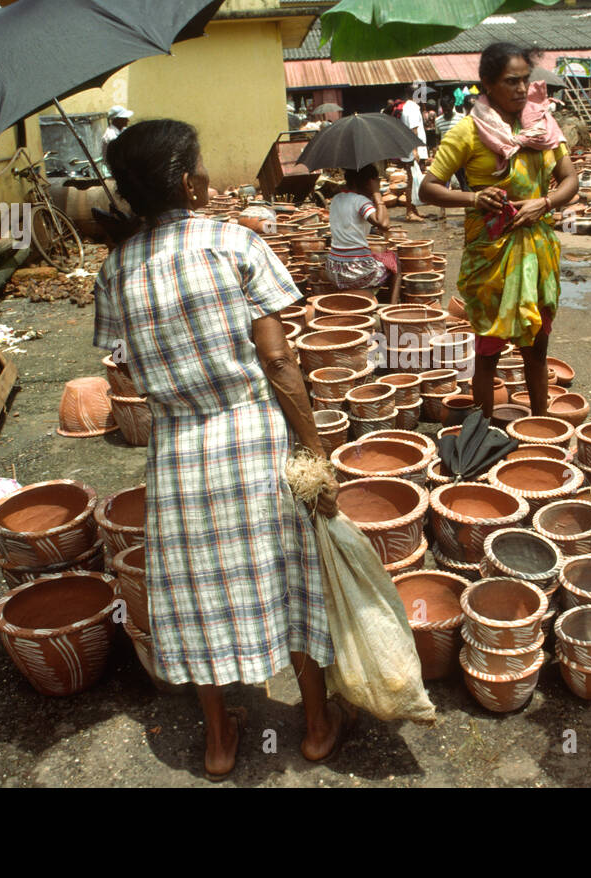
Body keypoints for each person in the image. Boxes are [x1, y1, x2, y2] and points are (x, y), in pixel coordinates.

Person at [96, 119, 351, 780]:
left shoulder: (116, 268)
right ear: (187, 182)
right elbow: (279, 361)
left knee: (196, 591)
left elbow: (119, 370)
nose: (207, 176)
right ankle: (317, 726)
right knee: (293, 577)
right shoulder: (235, 244)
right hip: (252, 437)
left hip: (178, 451)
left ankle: (217, 741)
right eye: (201, 166)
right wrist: (315, 454)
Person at [419, 42, 580, 417]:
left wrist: (546, 202)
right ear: (488, 84)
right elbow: (428, 188)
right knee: (488, 353)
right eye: (511, 81)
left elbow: (570, 179)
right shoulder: (468, 133)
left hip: (537, 250)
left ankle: (542, 430)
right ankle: (483, 433)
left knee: (537, 348)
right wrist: (473, 199)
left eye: (526, 80)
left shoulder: (543, 126)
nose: (522, 89)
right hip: (490, 257)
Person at [327, 164, 401, 303]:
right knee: (394, 260)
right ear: (369, 182)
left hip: (334, 269)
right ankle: (393, 309)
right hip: (355, 271)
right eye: (376, 181)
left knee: (375, 255)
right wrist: (377, 193)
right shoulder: (360, 201)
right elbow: (384, 224)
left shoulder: (336, 199)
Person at [399, 93, 429, 222]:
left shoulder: (410, 107)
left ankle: (413, 209)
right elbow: (413, 130)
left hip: (411, 148)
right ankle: (409, 212)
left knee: (414, 179)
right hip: (411, 150)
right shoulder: (411, 108)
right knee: (411, 181)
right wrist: (415, 150)